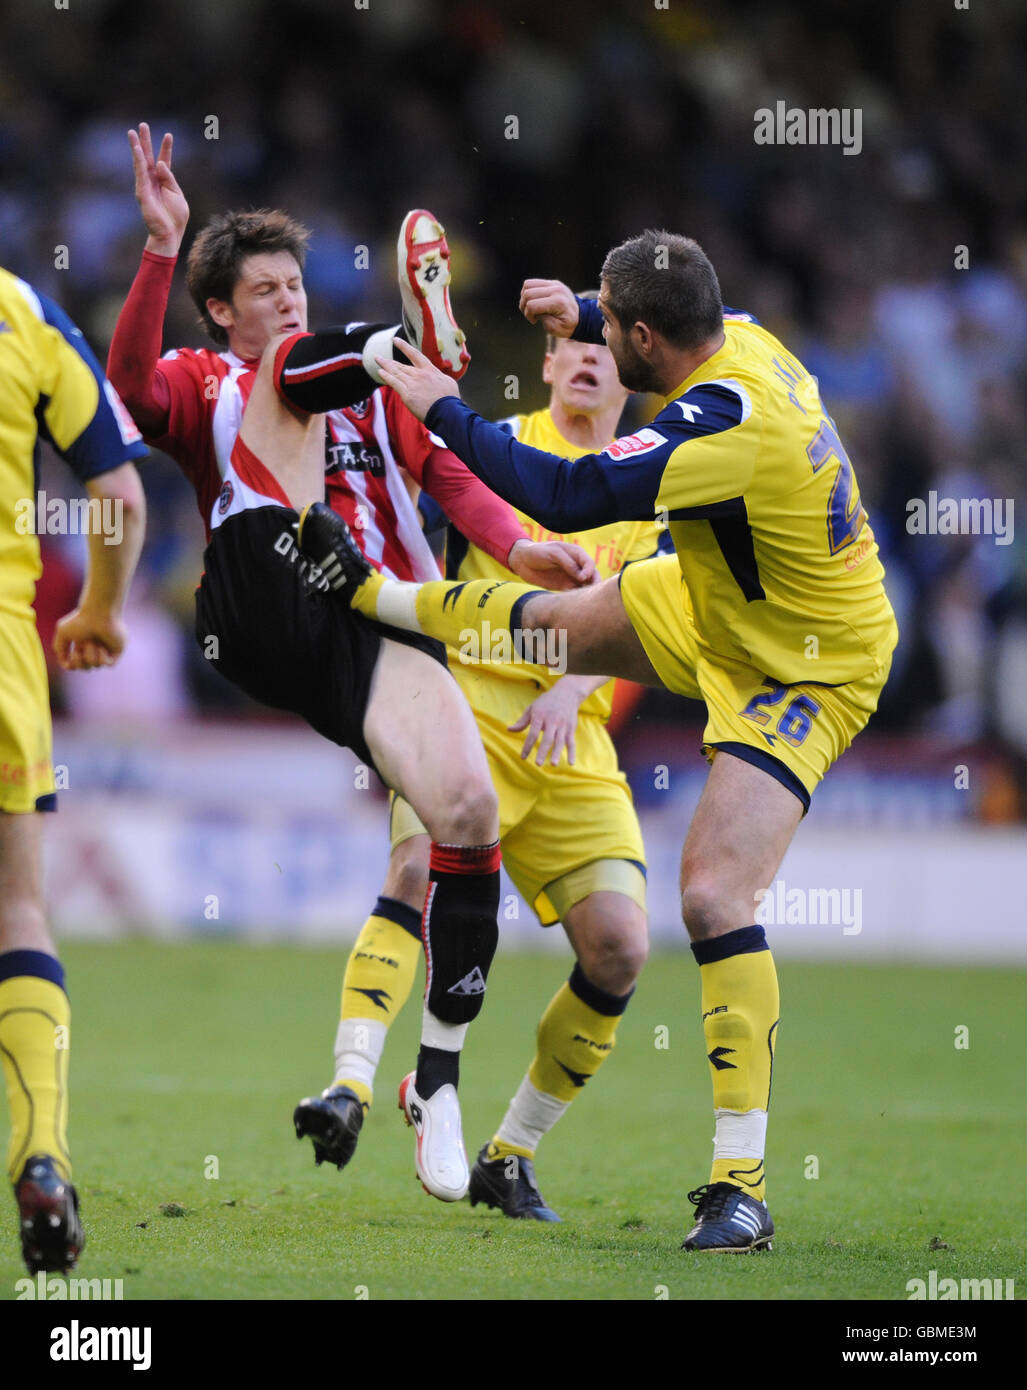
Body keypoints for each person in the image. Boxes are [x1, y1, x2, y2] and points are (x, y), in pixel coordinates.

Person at [297, 230, 899, 1251]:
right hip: (717, 603)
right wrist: (581, 308)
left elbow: (568, 495)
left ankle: (739, 1186)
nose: (590, 341)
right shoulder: (742, 338)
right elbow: (645, 349)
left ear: (647, 340)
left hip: (803, 664)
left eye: (607, 328)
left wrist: (435, 402)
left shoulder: (723, 424)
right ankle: (362, 588)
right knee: (547, 620)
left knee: (710, 893)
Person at [107, 124, 593, 1204]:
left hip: (380, 619)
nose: (285, 297)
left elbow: (452, 481)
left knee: (468, 815)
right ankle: (406, 340)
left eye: (294, 282)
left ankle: (439, 1072)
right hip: (264, 594)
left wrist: (522, 545)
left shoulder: (363, 394)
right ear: (221, 307)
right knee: (284, 380)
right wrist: (159, 246)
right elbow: (128, 391)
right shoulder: (208, 374)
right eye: (264, 287)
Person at [296, 304, 669, 1219]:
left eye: (602, 347)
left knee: (620, 950)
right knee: (417, 864)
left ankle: (510, 1153)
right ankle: (349, 1079)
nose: (586, 358)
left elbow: (660, 622)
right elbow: (400, 517)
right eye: (570, 345)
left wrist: (576, 685)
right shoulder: (497, 444)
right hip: (465, 708)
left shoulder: (657, 483)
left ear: (631, 365)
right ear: (545, 363)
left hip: (570, 739)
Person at [0, 266, 146, 1272]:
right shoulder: (23, 308)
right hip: (5, 647)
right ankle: (42, 1151)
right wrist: (96, 611)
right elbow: (120, 493)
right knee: (17, 910)